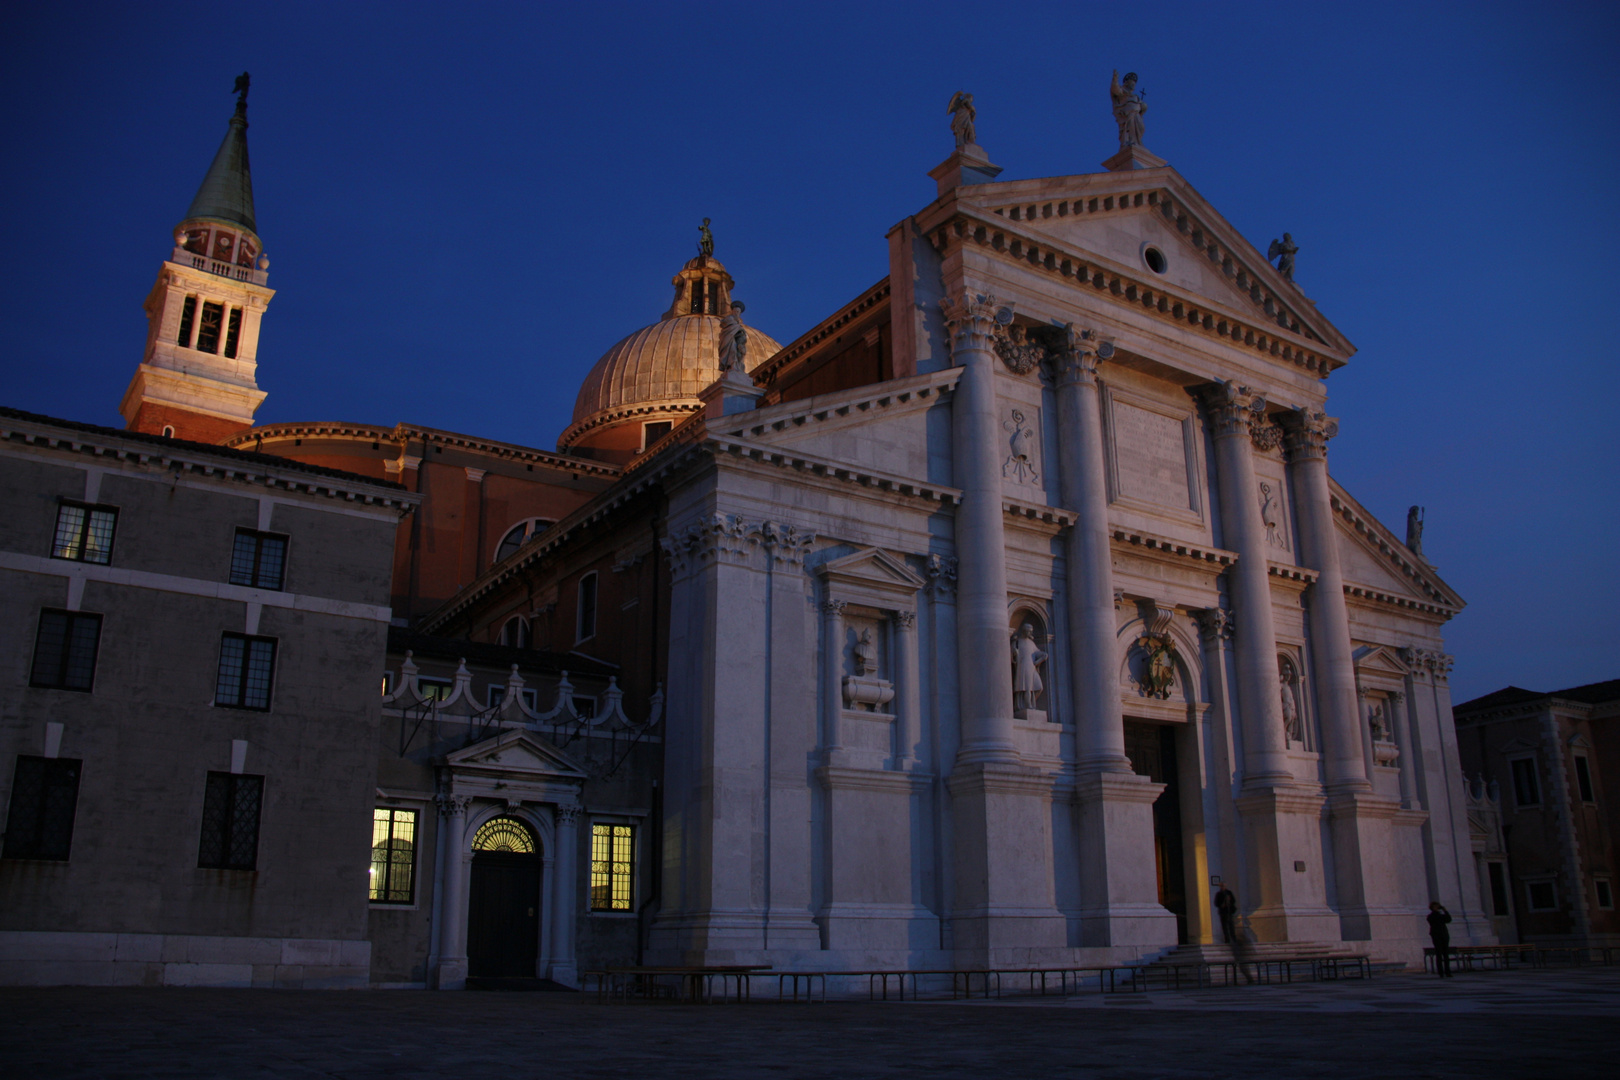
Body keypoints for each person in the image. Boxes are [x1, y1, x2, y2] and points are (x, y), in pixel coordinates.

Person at [1427, 901, 1453, 977]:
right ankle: (1441, 972)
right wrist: (1439, 911)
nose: (1437, 908)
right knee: (1439, 954)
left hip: (1443, 935)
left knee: (1445, 955)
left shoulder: (1440, 916)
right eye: (1436, 906)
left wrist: (1445, 911)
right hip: (1436, 936)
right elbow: (1435, 919)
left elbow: (1449, 919)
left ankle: (1447, 971)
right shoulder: (1431, 916)